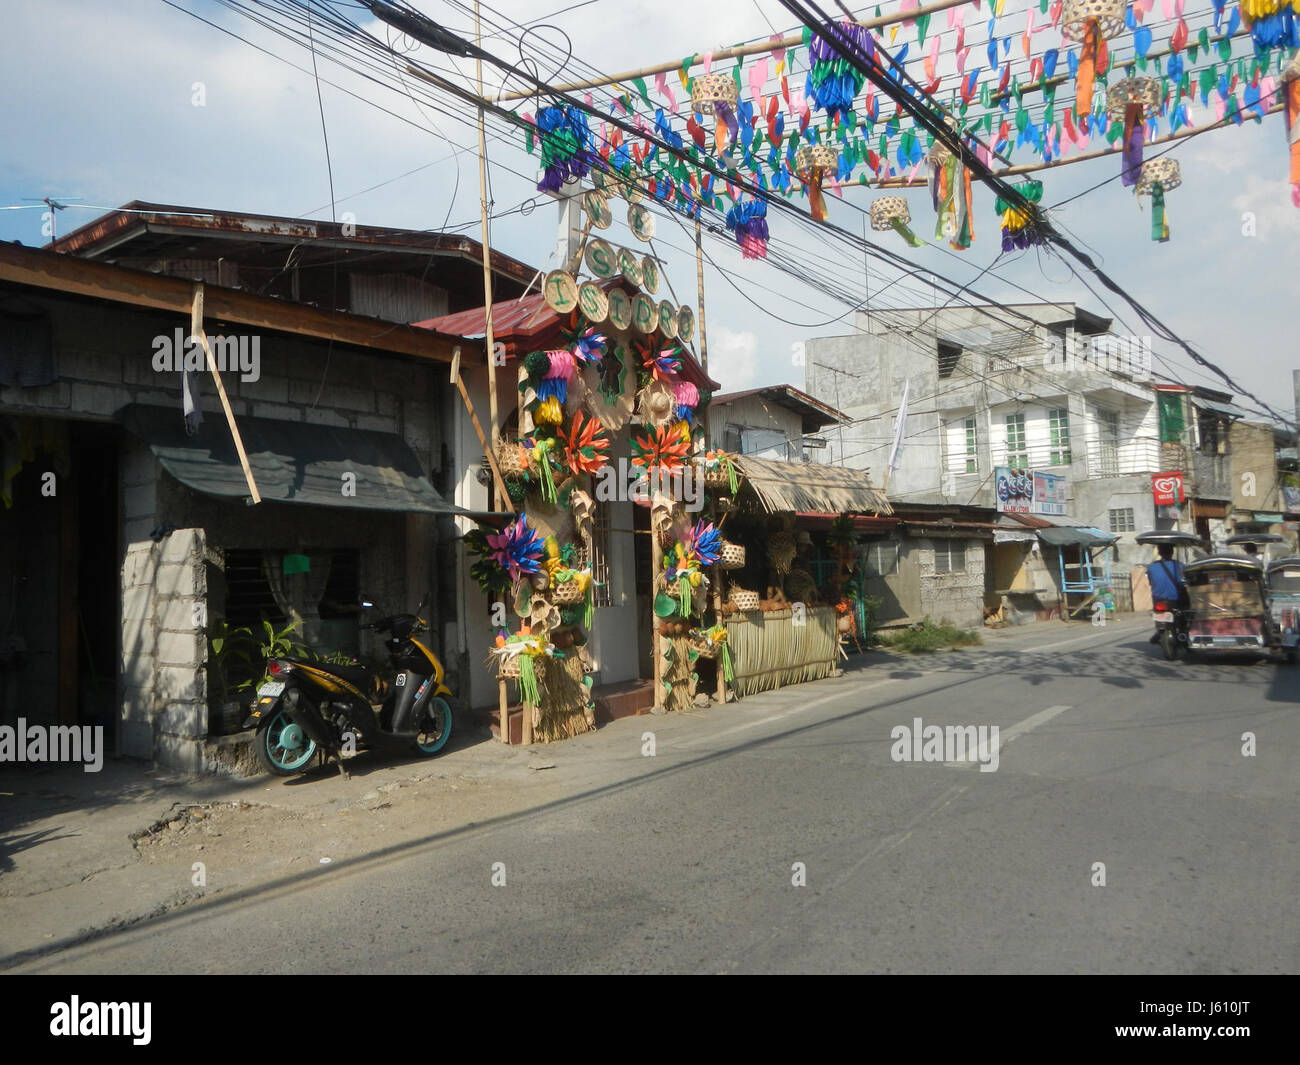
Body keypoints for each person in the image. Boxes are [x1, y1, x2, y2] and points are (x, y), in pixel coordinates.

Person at [1147, 543, 1187, 643]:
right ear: (1172, 552)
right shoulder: (1179, 565)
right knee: (1186, 612)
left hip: (1158, 599)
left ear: (1159, 553)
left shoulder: (1151, 567)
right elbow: (1184, 581)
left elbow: (1151, 582)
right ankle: (1183, 630)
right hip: (1176, 599)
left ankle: (1159, 629)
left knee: (1157, 610)